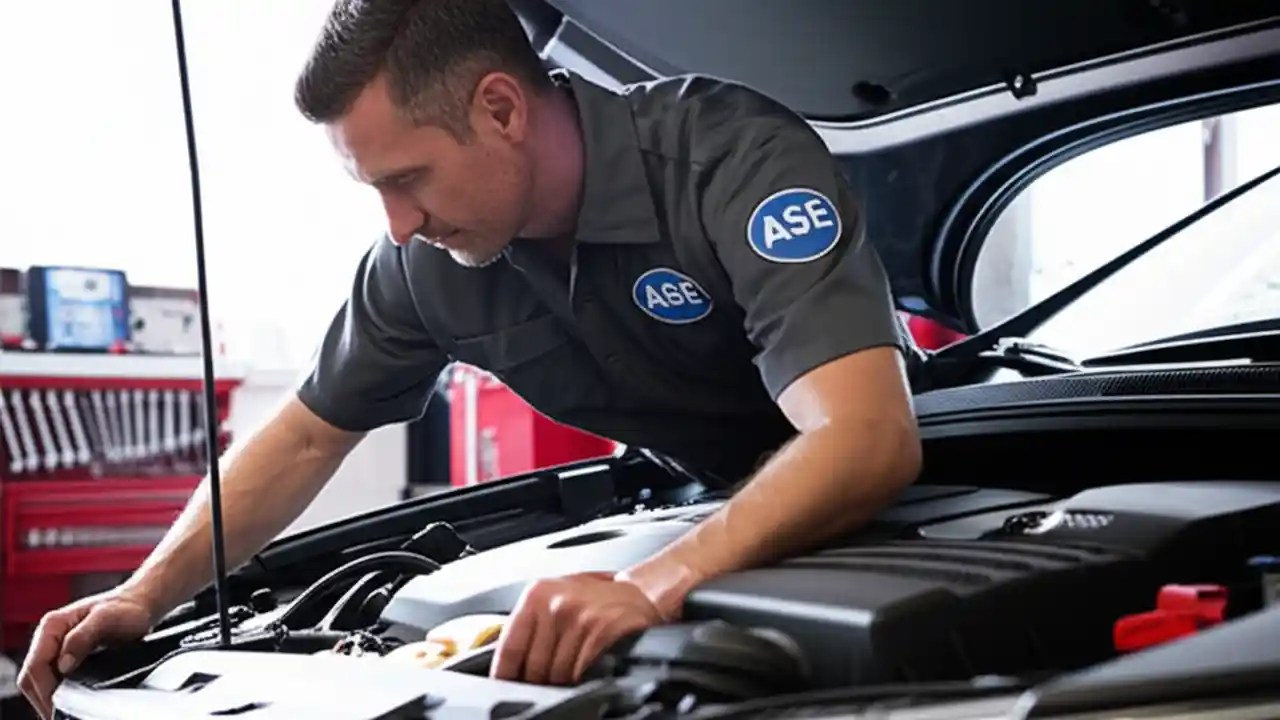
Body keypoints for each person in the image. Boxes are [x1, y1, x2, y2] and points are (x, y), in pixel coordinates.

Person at [18, 0, 922, 715]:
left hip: (906, 513)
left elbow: (868, 436)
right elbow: (299, 440)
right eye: (374, 189)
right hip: (700, 499)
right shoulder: (425, 264)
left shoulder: (729, 159)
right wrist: (145, 594)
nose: (398, 224)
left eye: (407, 179)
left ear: (500, 107)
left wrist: (654, 583)